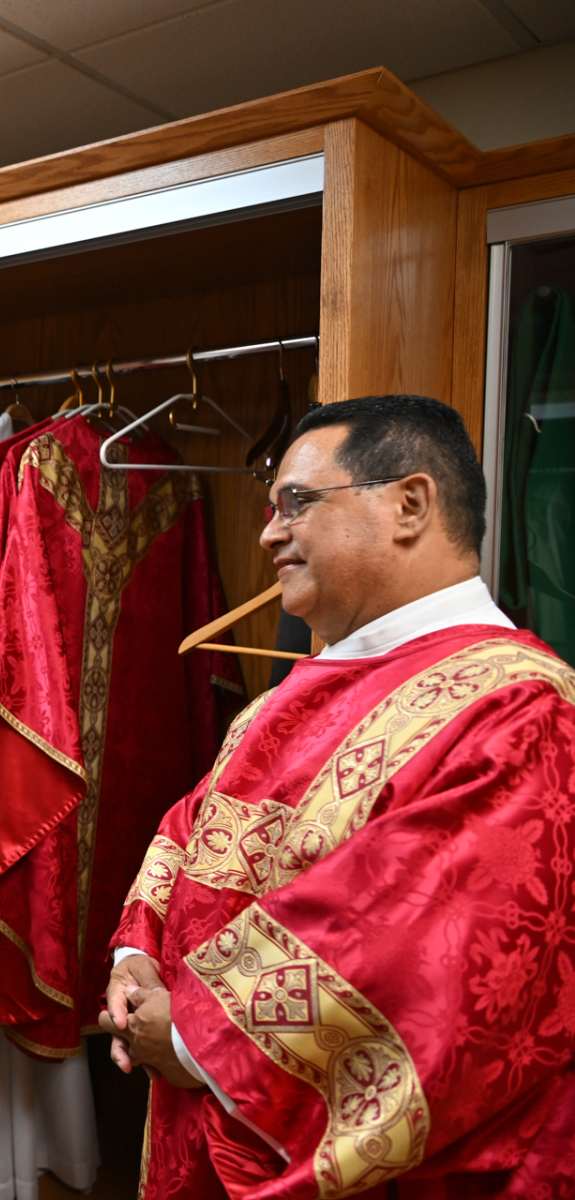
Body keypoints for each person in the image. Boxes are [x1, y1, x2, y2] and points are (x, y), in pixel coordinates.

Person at [101, 394, 575, 1197]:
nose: (269, 532)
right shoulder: (291, 694)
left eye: (298, 502)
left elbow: (418, 949)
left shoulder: (518, 707)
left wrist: (187, 1030)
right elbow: (190, 830)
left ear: (410, 504)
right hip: (198, 1126)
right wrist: (136, 958)